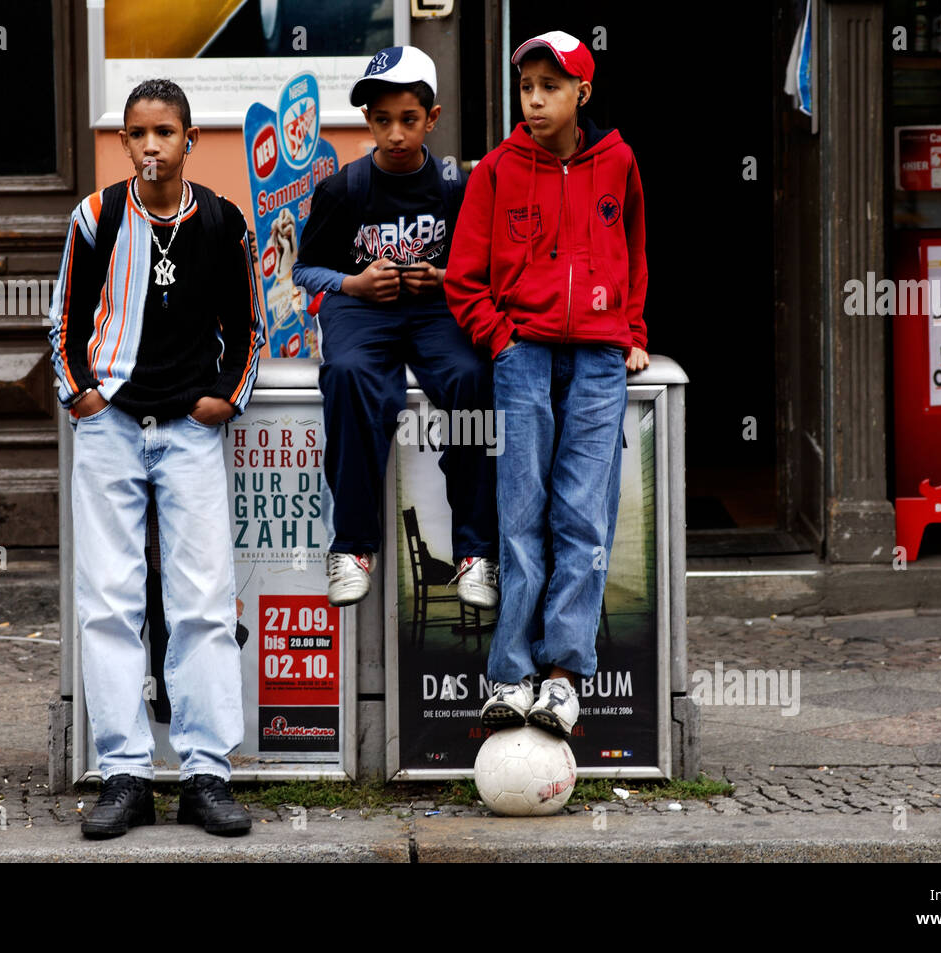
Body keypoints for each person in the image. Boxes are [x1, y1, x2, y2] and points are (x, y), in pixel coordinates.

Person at [47, 78, 265, 838]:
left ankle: (206, 772)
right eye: (136, 133)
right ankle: (125, 773)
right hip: (110, 426)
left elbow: (249, 327)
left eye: (164, 133)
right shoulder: (96, 216)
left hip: (189, 429)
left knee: (202, 600)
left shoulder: (223, 222)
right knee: (110, 599)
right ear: (123, 142)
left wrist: (224, 397)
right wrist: (83, 395)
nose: (149, 146)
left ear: (188, 140)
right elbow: (65, 319)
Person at [444, 31, 649, 738]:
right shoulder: (498, 169)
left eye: (550, 87)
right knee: (521, 516)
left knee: (584, 520)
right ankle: (509, 673)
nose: (534, 100)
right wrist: (500, 339)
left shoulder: (617, 161)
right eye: (527, 86)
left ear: (581, 94)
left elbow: (635, 255)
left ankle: (563, 676)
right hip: (523, 355)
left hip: (598, 360)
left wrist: (634, 333)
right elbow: (463, 278)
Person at [293, 46, 499, 610]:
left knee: (472, 376)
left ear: (432, 119)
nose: (396, 134)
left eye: (409, 119)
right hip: (362, 310)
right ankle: (354, 547)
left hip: (434, 311)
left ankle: (476, 554)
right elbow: (305, 269)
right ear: (368, 122)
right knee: (351, 375)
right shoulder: (344, 189)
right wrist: (354, 284)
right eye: (382, 121)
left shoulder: (457, 189)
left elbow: (481, 267)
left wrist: (447, 276)